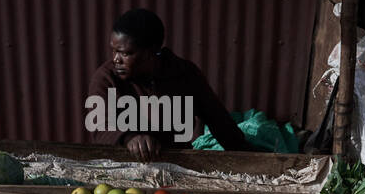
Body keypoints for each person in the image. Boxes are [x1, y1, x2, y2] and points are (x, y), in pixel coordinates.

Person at [88, 8, 251, 161]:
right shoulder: (106, 78)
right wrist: (129, 137)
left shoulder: (184, 74)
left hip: (176, 164)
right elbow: (99, 127)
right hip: (123, 166)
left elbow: (219, 120)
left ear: (151, 51)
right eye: (114, 50)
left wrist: (250, 158)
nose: (116, 59)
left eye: (125, 53)